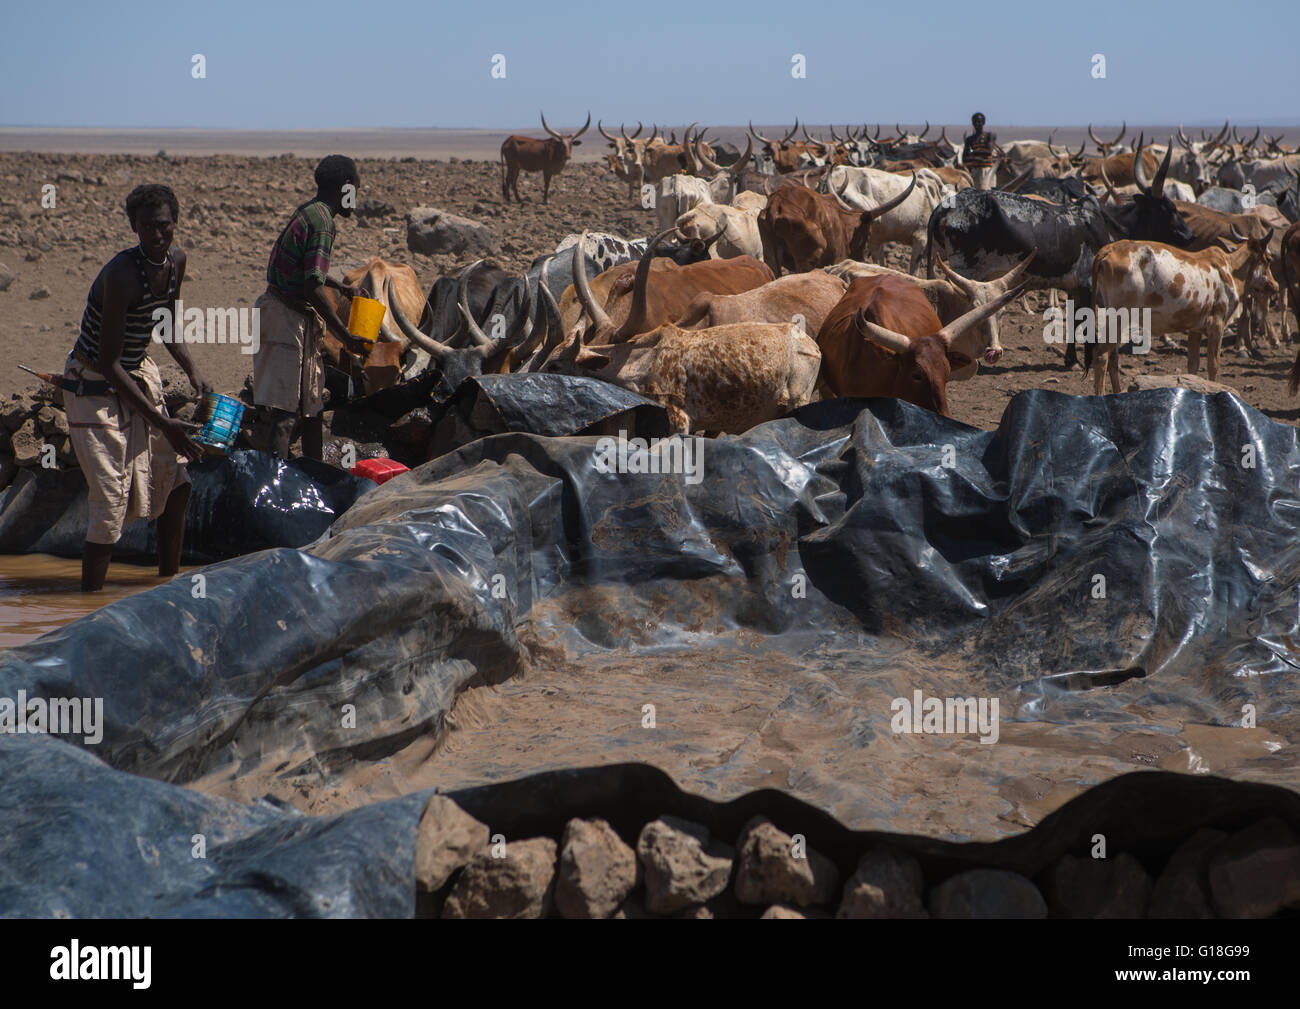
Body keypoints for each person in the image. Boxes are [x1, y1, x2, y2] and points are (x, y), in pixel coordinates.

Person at [63, 184, 208, 592]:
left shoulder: (176, 262)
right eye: (148, 227)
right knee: (110, 499)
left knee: (177, 481)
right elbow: (108, 363)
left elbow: (165, 324)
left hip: (135, 372)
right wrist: (163, 420)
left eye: (164, 226)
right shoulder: (122, 274)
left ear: (175, 224)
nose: (158, 235)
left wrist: (192, 370)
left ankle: (168, 586)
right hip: (93, 381)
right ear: (134, 228)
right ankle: (89, 606)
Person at [251, 155, 370, 460]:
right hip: (284, 319)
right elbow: (310, 287)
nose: (356, 197)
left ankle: (313, 478)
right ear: (346, 188)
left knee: (312, 409)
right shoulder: (323, 224)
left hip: (287, 313)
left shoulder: (311, 212)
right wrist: (345, 336)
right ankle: (278, 493)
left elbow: (308, 271)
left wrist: (337, 285)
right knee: (286, 416)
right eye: (356, 189)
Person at [963, 113, 1001, 190]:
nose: (977, 124)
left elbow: (989, 151)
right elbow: (964, 158)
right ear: (972, 123)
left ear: (983, 123)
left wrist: (973, 153)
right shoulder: (970, 140)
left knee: (988, 192)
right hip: (975, 171)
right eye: (975, 122)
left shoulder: (989, 136)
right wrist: (976, 156)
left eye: (979, 122)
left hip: (987, 170)